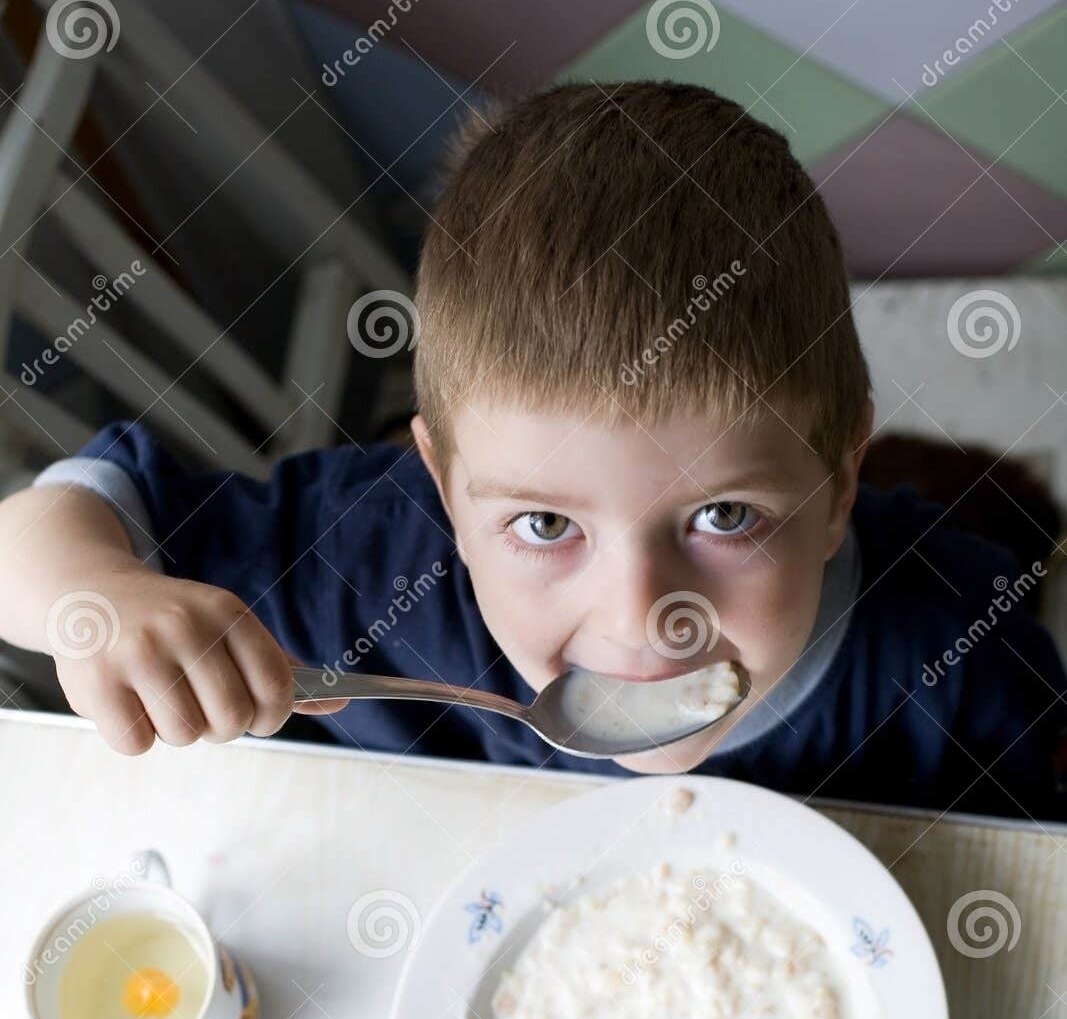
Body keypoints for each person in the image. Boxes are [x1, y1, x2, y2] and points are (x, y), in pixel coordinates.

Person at [1, 80, 1064, 820]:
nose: (640, 613)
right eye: (545, 524)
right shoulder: (370, 566)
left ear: (838, 486)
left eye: (723, 515)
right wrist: (97, 600)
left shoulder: (961, 643)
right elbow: (44, 533)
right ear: (445, 491)